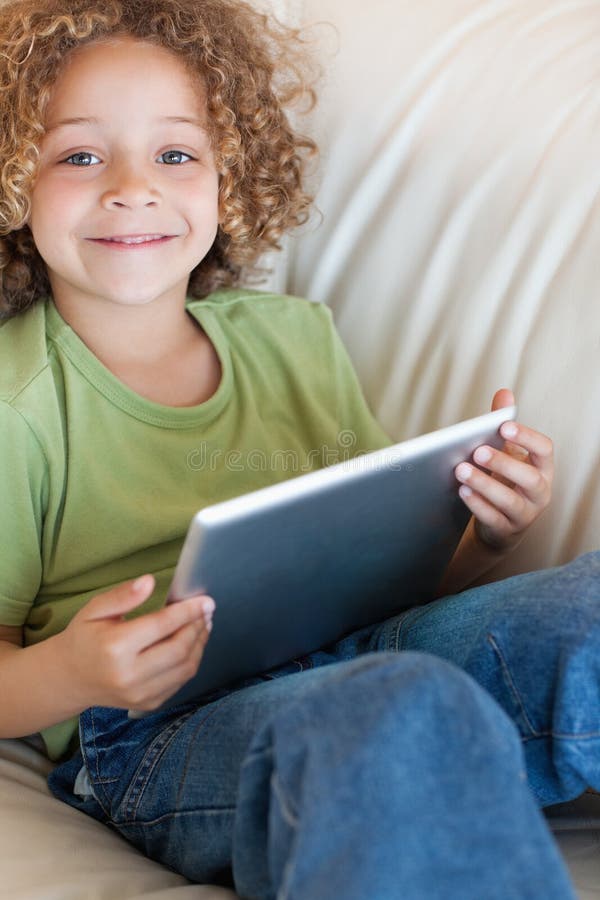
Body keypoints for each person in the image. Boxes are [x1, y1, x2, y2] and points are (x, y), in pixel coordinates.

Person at [0, 1, 597, 897]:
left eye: (175, 154)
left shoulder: (295, 340)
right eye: (80, 156)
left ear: (228, 177)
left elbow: (399, 576)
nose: (132, 186)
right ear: (14, 180)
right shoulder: (17, 405)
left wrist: (487, 534)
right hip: (151, 732)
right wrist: (71, 673)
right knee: (393, 714)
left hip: (364, 647)